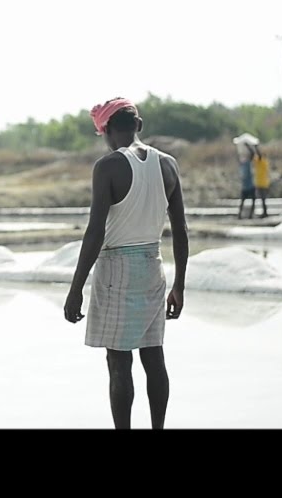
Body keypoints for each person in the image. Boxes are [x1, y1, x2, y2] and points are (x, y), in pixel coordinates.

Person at [63, 97, 188, 430]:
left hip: (116, 270)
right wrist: (179, 285)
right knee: (153, 357)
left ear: (106, 131)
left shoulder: (108, 166)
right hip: (153, 267)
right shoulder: (168, 164)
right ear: (139, 125)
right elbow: (180, 230)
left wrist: (75, 290)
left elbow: (95, 233)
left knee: (119, 363)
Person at [237, 147, 256, 219]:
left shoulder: (242, 164)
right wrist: (248, 146)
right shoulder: (247, 164)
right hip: (249, 185)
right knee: (252, 200)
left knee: (243, 201)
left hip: (245, 186)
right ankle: (249, 215)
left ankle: (241, 215)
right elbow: (252, 154)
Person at [252, 147, 271, 218]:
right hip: (259, 183)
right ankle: (263, 212)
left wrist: (255, 147)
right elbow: (253, 156)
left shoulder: (263, 162)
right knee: (261, 199)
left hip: (263, 183)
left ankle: (265, 213)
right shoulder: (258, 162)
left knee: (263, 199)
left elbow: (258, 155)